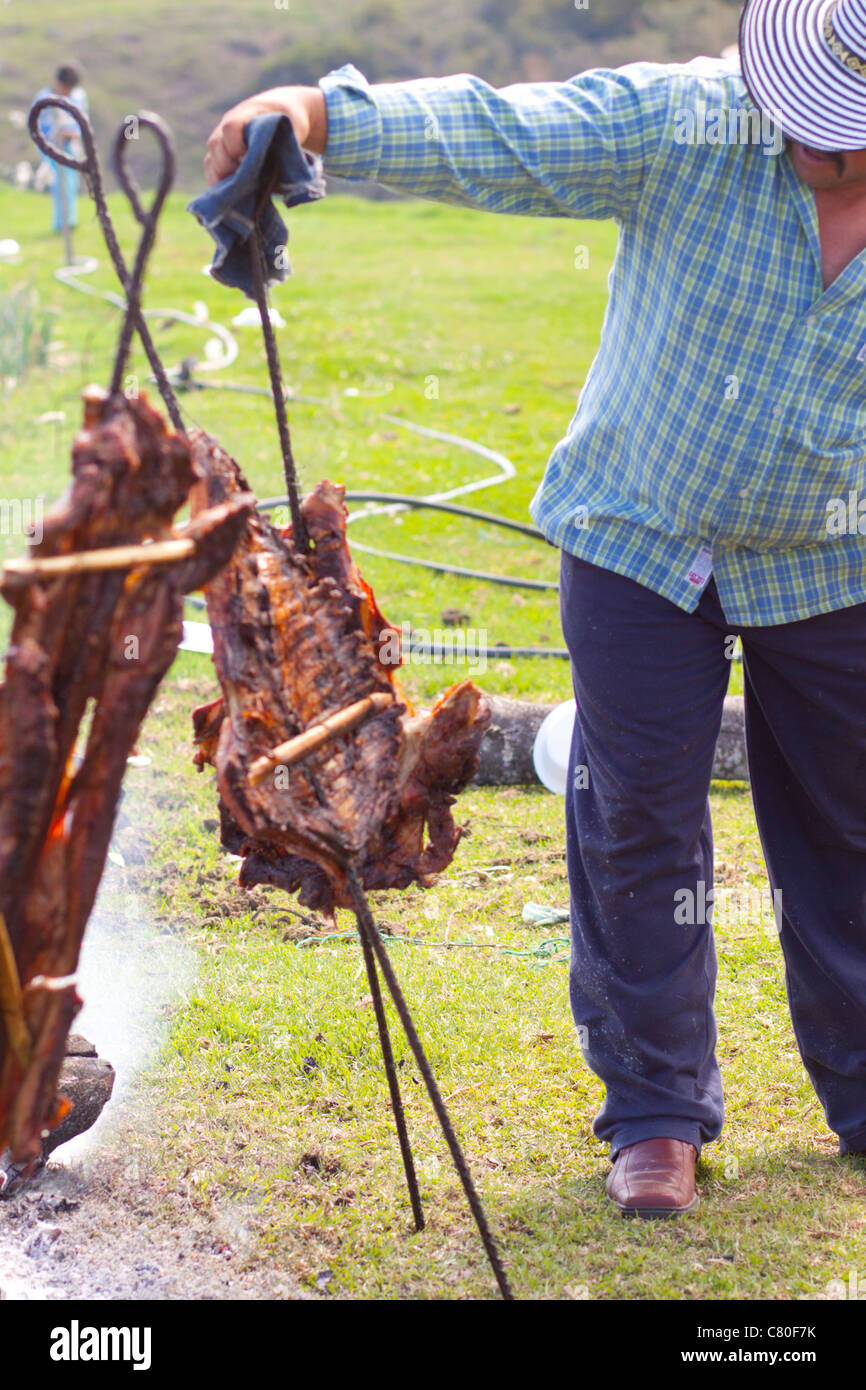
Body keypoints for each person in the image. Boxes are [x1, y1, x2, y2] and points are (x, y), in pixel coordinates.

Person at [206, 0, 866, 1219]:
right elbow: (500, 133)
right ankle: (656, 1114)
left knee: (849, 825)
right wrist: (316, 115)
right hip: (637, 536)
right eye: (813, 126)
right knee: (635, 820)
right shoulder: (682, 122)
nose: (825, 153)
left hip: (836, 557)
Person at [33, 63, 88, 234]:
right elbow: (36, 123)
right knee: (58, 183)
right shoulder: (43, 98)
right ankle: (60, 223)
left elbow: (82, 119)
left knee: (71, 183)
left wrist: (73, 134)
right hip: (50, 147)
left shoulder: (79, 96)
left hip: (71, 145)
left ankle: (70, 220)